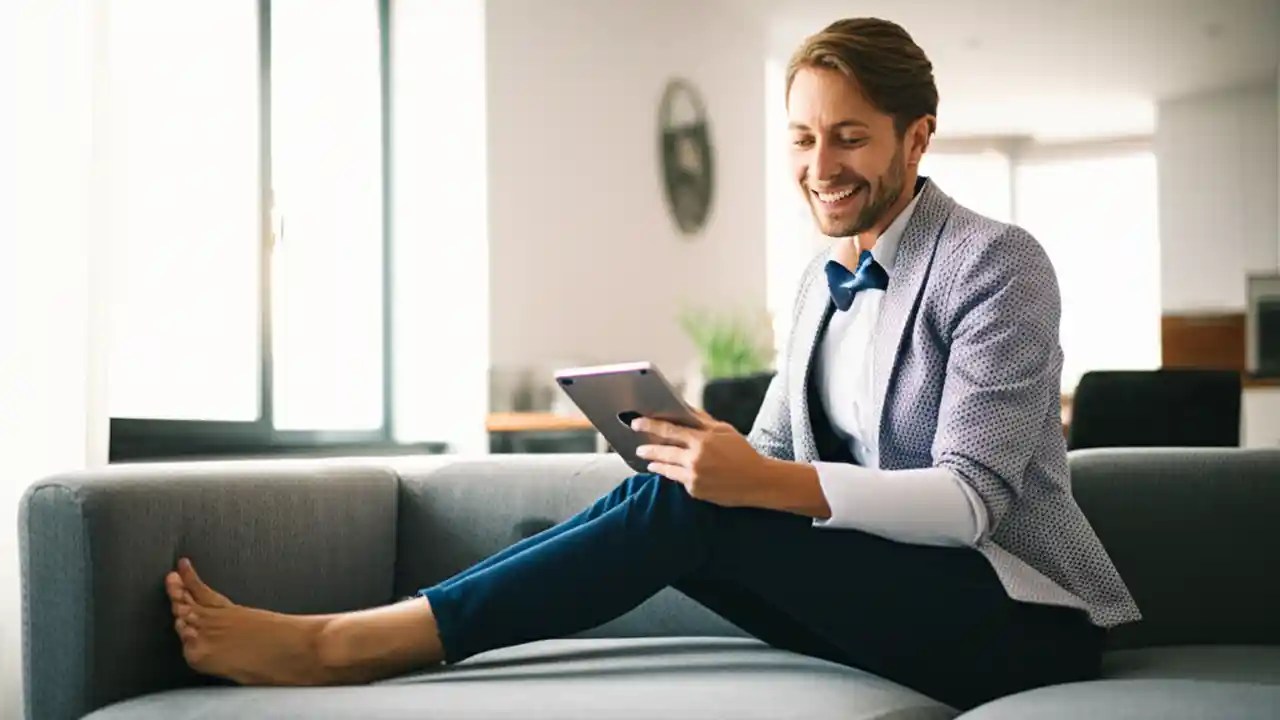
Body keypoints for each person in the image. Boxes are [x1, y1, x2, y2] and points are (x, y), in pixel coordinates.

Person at [164, 17, 1140, 710]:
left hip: (1015, 625)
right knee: (643, 502)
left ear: (916, 136)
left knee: (676, 513)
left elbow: (969, 502)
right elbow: (771, 450)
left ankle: (345, 645)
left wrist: (754, 481)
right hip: (888, 596)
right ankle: (423, 616)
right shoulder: (818, 280)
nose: (819, 166)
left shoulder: (993, 262)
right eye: (803, 138)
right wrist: (707, 446)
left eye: (849, 137)